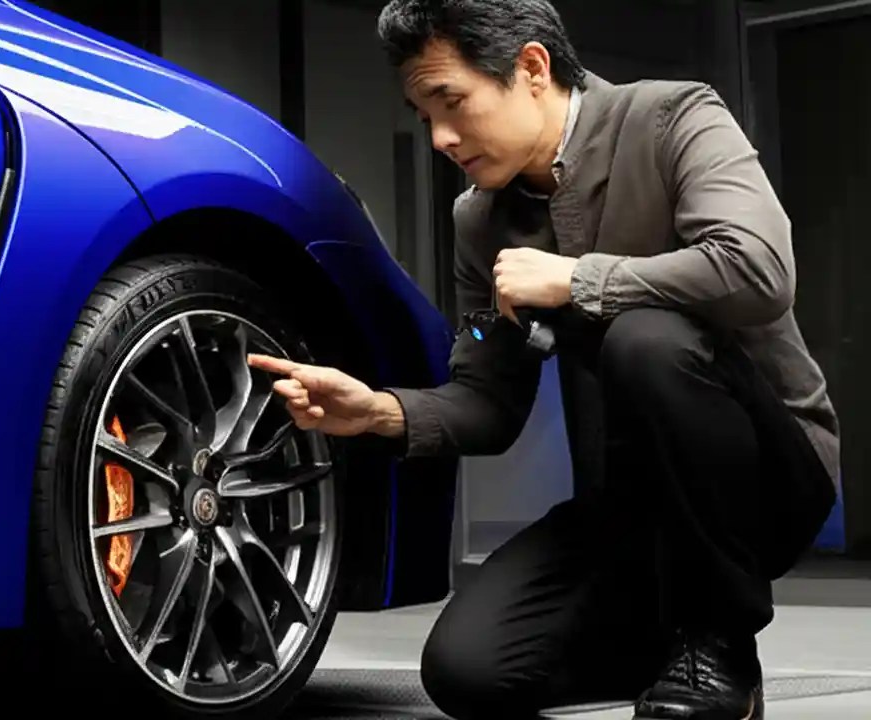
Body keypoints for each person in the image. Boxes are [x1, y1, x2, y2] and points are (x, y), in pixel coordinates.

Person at [247, 1, 841, 718]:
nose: (439, 137)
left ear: (531, 68)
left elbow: (758, 270)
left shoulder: (674, 118)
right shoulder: (480, 218)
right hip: (627, 504)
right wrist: (379, 410)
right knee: (468, 672)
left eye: (451, 103)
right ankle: (667, 649)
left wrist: (578, 279)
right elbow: (490, 404)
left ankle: (721, 651)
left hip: (766, 479)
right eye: (422, 113)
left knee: (647, 338)